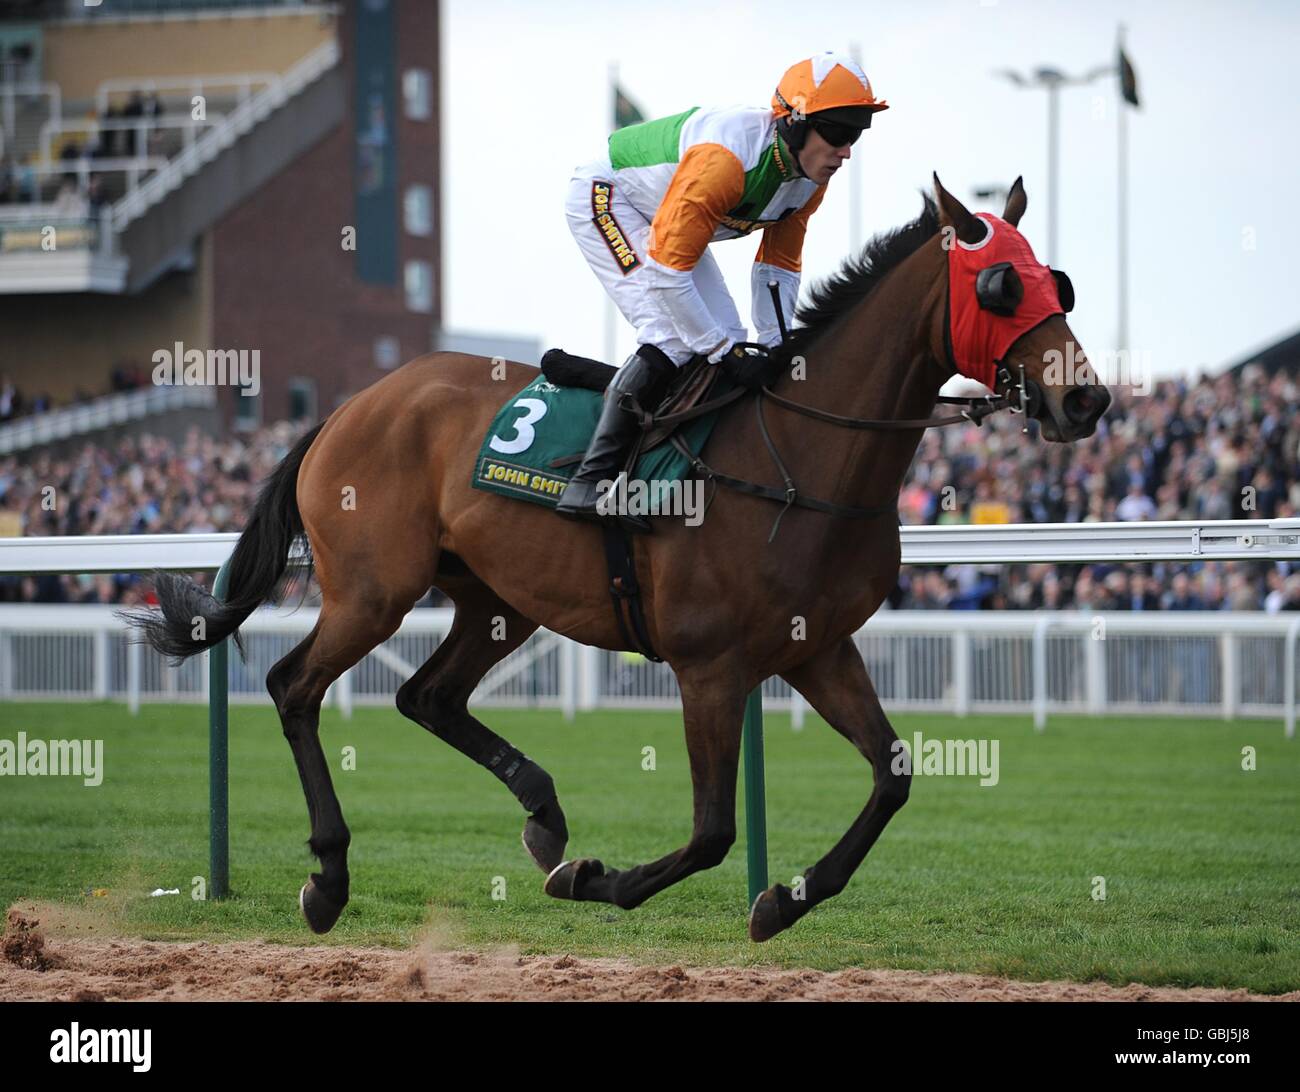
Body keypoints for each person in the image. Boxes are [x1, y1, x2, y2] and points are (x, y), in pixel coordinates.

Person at [554, 51, 888, 529]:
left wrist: (775, 349)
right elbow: (669, 274)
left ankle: (672, 454)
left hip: (666, 217)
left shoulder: (808, 182)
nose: (847, 151)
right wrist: (724, 353)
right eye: (838, 133)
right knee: (674, 336)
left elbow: (778, 268)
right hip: (610, 198)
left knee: (726, 332)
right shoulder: (726, 160)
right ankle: (591, 482)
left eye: (856, 135)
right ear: (792, 121)